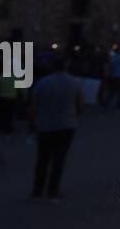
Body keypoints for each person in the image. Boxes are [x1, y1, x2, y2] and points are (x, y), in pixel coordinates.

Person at [29, 56, 84, 202]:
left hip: (45, 125)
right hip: (66, 124)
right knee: (59, 159)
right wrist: (74, 115)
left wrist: (33, 123)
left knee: (42, 159)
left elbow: (34, 106)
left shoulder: (42, 83)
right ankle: (52, 191)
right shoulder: (75, 82)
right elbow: (80, 104)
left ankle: (38, 190)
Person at [102, 46, 120, 111]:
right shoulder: (119, 57)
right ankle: (116, 104)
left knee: (115, 91)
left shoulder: (113, 57)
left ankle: (107, 103)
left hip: (115, 76)